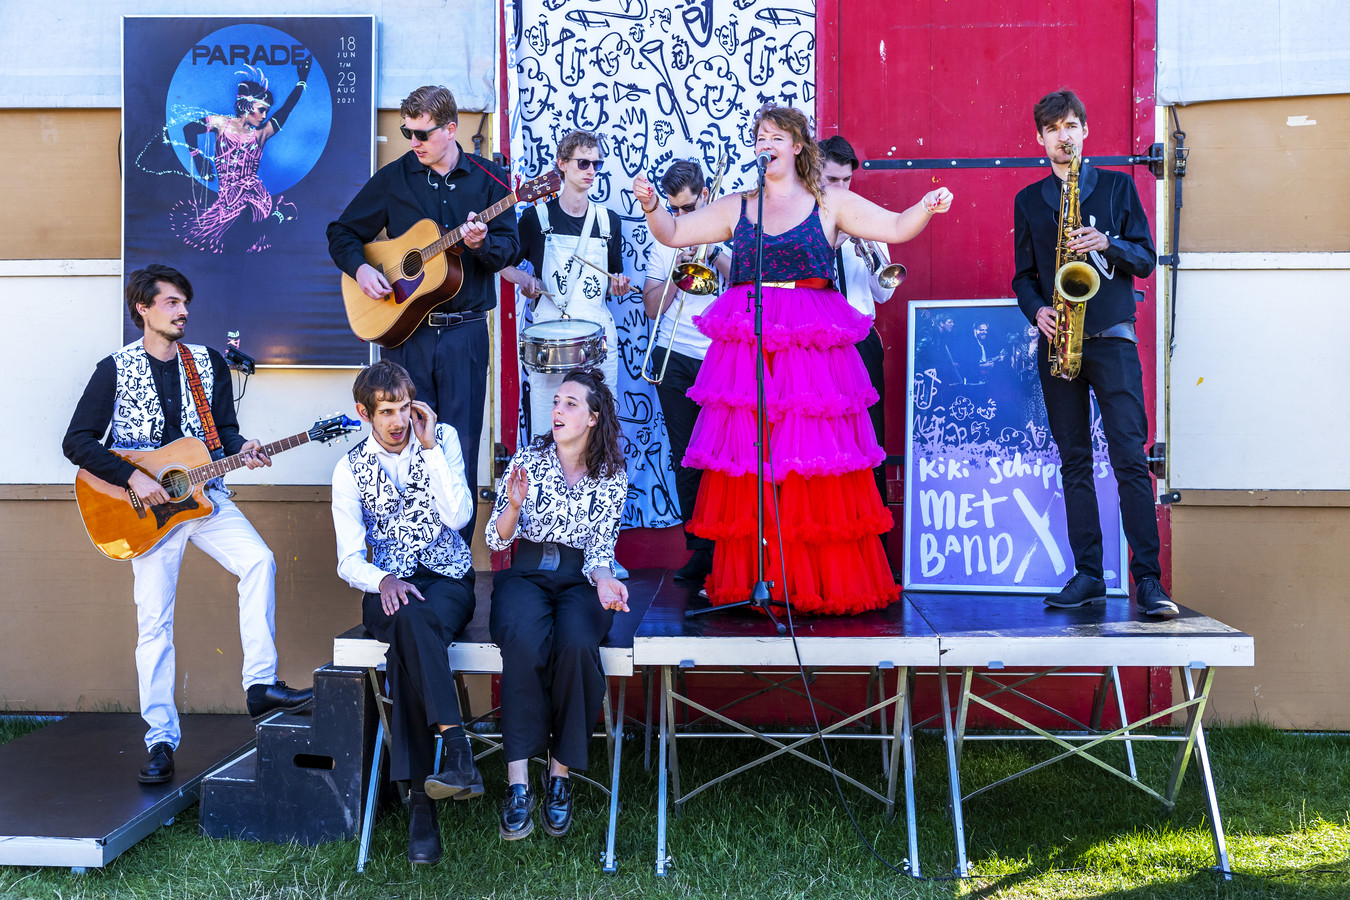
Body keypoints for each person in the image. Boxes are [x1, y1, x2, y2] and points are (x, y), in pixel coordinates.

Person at [633, 105, 953, 614]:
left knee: (811, 460)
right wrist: (653, 205)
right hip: (751, 344)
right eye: (760, 136)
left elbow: (894, 226)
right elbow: (672, 233)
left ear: (798, 146)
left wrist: (926, 206)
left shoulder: (829, 202)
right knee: (751, 462)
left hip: (809, 348)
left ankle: (814, 580)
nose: (766, 143)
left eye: (776, 136)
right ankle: (762, 580)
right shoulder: (740, 206)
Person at [62, 264, 312, 785]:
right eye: (172, 302)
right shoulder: (115, 369)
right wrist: (133, 476)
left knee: (259, 561)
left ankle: (260, 685)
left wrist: (243, 448)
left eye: (185, 303)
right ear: (143, 309)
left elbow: (223, 434)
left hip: (204, 497)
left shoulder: (207, 363)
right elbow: (77, 441)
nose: (183, 312)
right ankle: (160, 740)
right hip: (146, 513)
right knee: (154, 622)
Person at [328, 85, 518, 545]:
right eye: (406, 132)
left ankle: (455, 562)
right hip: (406, 336)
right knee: (404, 441)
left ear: (451, 129)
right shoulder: (395, 178)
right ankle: (412, 555)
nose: (413, 142)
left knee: (460, 444)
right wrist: (361, 269)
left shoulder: (490, 179)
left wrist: (482, 244)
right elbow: (342, 232)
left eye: (422, 134)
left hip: (465, 334)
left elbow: (510, 248)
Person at [1012, 89, 1177, 618]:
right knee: (1075, 462)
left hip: (1112, 339)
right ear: (1041, 139)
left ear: (1085, 130)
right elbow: (1023, 277)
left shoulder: (1118, 187)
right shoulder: (1029, 200)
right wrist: (1036, 310)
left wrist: (1106, 243)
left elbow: (1146, 259)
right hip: (1060, 341)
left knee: (1130, 458)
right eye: (1053, 128)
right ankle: (1088, 575)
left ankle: (1147, 580)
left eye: (1070, 125)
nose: (1063, 135)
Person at [331, 360, 483, 865]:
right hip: (386, 587)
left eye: (404, 408)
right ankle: (456, 751)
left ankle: (420, 803)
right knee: (410, 622)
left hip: (446, 580)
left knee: (408, 638)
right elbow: (348, 560)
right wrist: (383, 580)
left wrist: (431, 448)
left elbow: (459, 517)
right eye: (386, 412)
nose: (399, 422)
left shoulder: (443, 440)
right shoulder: (348, 469)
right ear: (364, 413)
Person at [485, 367, 628, 841]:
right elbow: (495, 539)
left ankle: (559, 776)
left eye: (570, 403)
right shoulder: (529, 459)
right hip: (526, 573)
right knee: (523, 642)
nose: (558, 410)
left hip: (578, 579)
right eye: (556, 402)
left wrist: (605, 583)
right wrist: (513, 507)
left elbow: (600, 551)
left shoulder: (611, 474)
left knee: (576, 645)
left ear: (592, 417)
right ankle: (518, 784)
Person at [501, 130, 631, 440]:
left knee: (599, 428)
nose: (591, 171)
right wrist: (524, 279)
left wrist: (618, 284)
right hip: (549, 337)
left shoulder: (609, 221)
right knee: (548, 427)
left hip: (596, 334)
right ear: (562, 163)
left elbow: (612, 279)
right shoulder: (535, 218)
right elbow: (502, 264)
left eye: (596, 164)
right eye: (583, 163)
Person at [641, 159, 733, 585]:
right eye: (673, 209)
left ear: (705, 195)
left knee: (727, 458)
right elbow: (650, 307)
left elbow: (747, 281)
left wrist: (712, 252)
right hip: (674, 355)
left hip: (722, 355)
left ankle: (732, 548)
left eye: (688, 208)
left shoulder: (729, 227)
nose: (680, 216)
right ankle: (700, 550)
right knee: (687, 457)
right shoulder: (663, 236)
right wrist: (678, 274)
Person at [819, 135, 897, 509]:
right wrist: (832, 241)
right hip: (815, 343)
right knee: (822, 438)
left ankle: (873, 530)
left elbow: (884, 293)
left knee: (869, 435)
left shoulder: (865, 215)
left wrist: (867, 242)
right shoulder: (800, 220)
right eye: (832, 180)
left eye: (847, 180)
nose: (841, 188)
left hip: (860, 340)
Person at [175, 60, 310, 253]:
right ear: (247, 106)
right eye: (261, 110)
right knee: (234, 245)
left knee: (240, 238)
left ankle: (278, 215)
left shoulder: (261, 134)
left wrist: (302, 80)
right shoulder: (220, 123)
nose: (264, 116)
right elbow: (189, 128)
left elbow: (286, 109)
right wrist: (197, 159)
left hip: (255, 197)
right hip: (228, 199)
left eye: (267, 111)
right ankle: (280, 215)